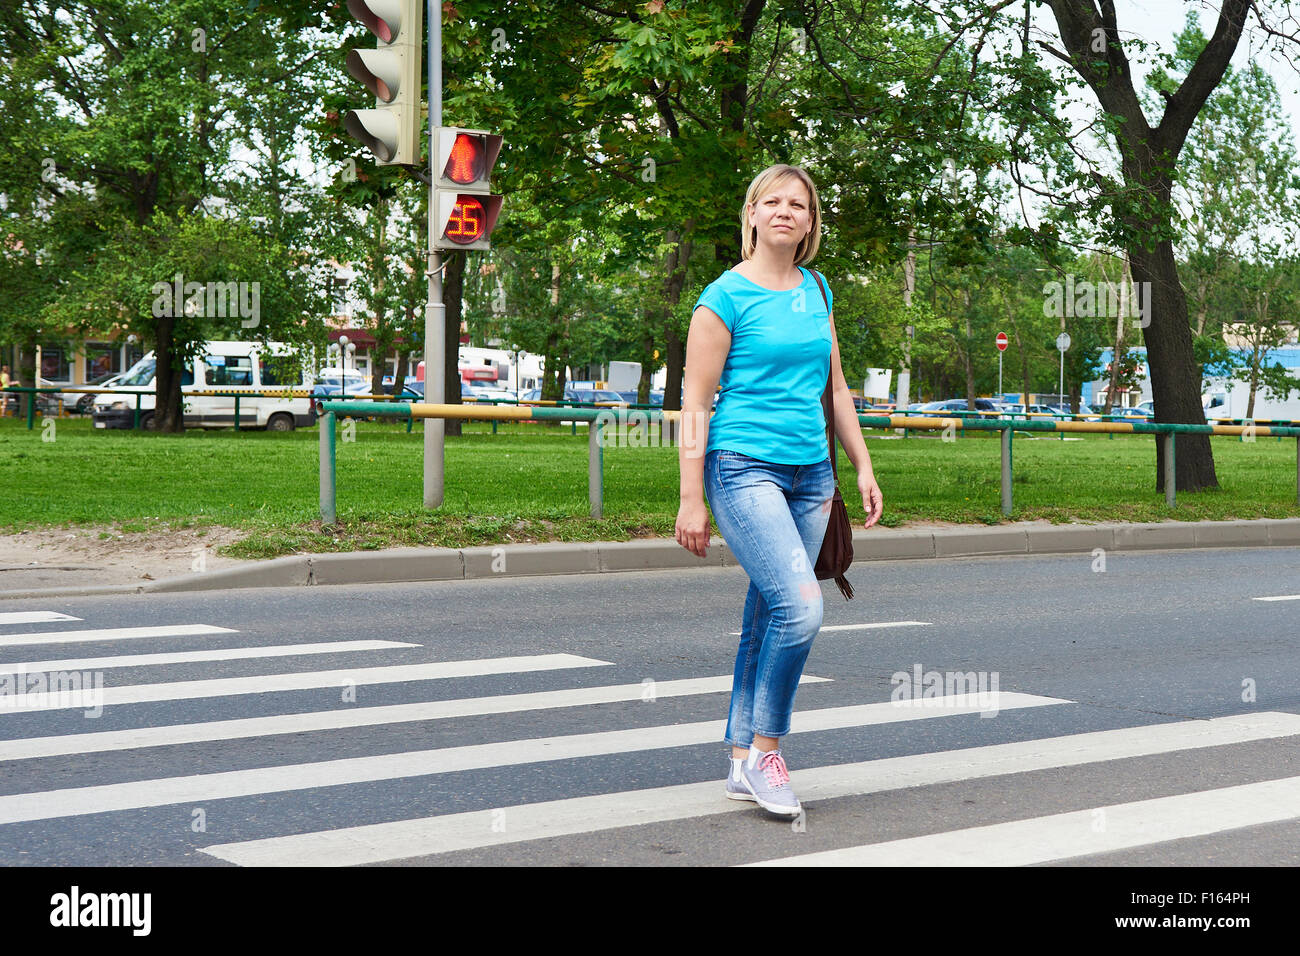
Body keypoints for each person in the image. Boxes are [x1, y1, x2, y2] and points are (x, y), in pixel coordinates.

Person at [675, 163, 884, 818]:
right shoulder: (724, 298)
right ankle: (769, 751)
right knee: (801, 611)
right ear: (754, 215)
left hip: (811, 475)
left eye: (800, 203)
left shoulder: (817, 290)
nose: (787, 211)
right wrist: (690, 495)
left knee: (767, 615)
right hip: (743, 469)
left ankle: (740, 756)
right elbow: (695, 402)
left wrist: (862, 464)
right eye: (775, 201)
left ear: (810, 222)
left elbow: (838, 387)